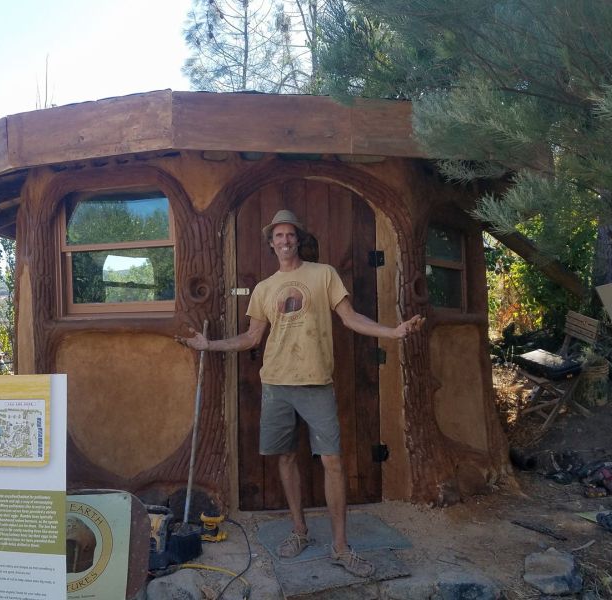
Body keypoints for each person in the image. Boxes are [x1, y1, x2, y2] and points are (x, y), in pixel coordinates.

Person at [176, 209, 425, 578]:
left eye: (290, 234)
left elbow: (351, 318)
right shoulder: (264, 289)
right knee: (286, 457)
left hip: (316, 383)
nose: (285, 240)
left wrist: (394, 332)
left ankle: (340, 547)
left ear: (298, 239)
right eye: (278, 235)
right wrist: (208, 345)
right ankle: (299, 530)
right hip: (276, 384)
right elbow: (251, 338)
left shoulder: (323, 275)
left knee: (333, 462)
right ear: (271, 243)